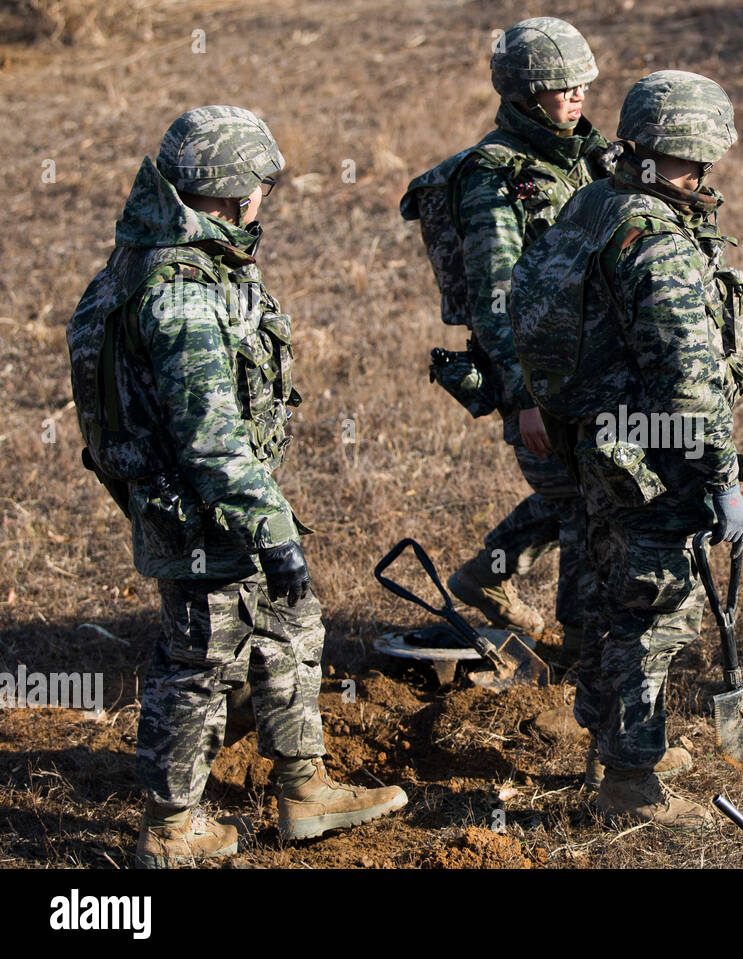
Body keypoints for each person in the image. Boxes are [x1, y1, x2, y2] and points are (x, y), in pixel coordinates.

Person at [68, 106, 407, 868]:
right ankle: (170, 826)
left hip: (225, 503)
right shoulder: (181, 294)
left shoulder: (179, 255)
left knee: (289, 622)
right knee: (200, 660)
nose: (266, 199)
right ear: (233, 190)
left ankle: (304, 786)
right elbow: (211, 442)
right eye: (262, 185)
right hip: (200, 512)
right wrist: (273, 529)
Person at [511, 70, 743, 827]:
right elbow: (689, 386)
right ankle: (631, 782)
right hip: (655, 454)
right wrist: (722, 478)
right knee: (654, 611)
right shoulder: (658, 240)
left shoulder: (594, 202)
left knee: (604, 591)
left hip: (595, 444)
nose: (706, 172)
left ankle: (608, 741)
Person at [400, 17, 610, 671]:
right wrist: (525, 397)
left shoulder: (585, 158)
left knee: (579, 492)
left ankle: (483, 578)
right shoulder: (493, 178)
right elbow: (495, 299)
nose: (576, 94)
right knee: (585, 509)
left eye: (581, 82)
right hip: (542, 379)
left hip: (590, 370)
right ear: (524, 93)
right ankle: (582, 660)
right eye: (560, 85)